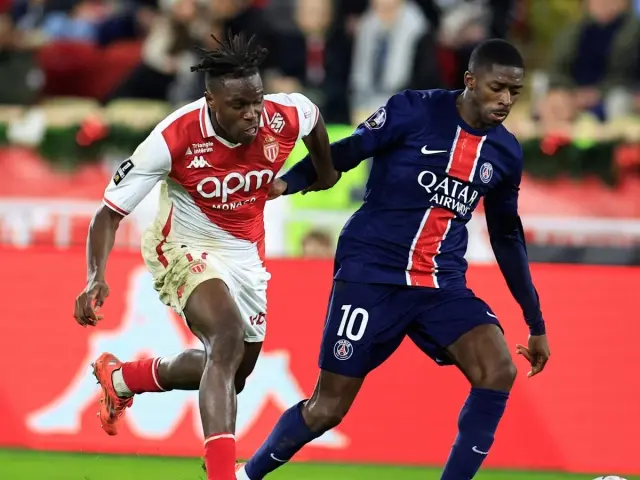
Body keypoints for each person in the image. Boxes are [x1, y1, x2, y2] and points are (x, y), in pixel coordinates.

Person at [235, 38, 551, 480]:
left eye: (514, 92)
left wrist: (535, 322)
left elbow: (506, 235)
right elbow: (349, 150)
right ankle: (246, 475)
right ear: (470, 80)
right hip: (372, 273)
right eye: (497, 88)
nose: (505, 100)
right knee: (327, 408)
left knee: (498, 369)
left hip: (440, 283)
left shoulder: (505, 153)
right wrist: (289, 182)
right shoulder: (414, 110)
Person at [72, 32, 337, 480]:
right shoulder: (172, 138)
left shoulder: (284, 114)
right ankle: (220, 474)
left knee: (234, 374)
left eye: (257, 101)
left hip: (245, 253)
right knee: (226, 339)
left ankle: (123, 379)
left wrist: (322, 173)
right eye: (239, 105)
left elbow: (312, 118)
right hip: (181, 245)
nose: (253, 113)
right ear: (211, 101)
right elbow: (108, 213)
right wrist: (94, 276)